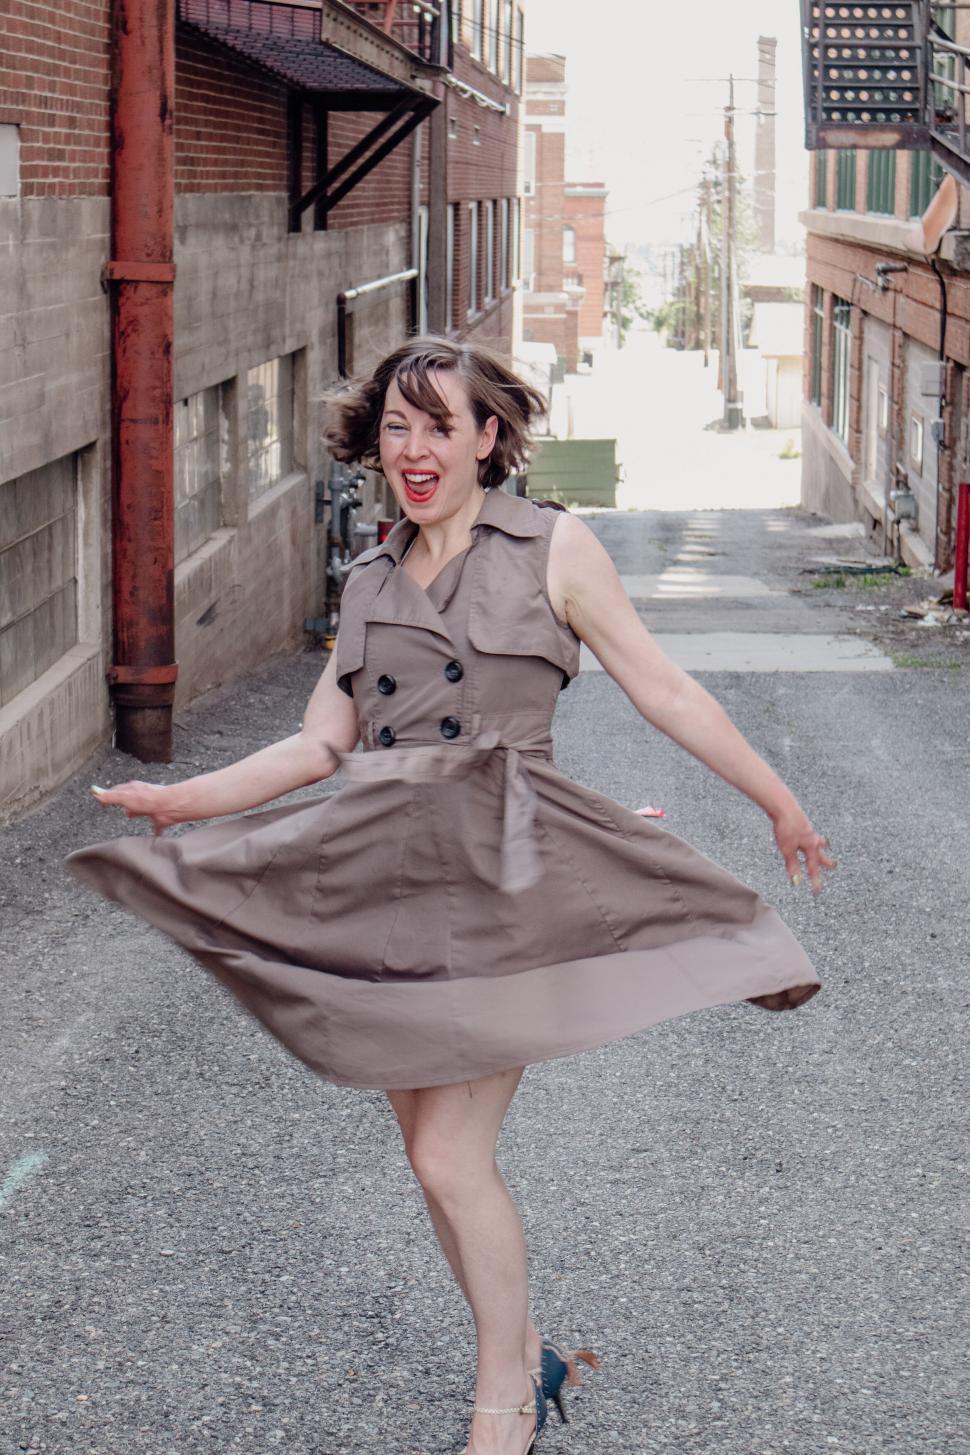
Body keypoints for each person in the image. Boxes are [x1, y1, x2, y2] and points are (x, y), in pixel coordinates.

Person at [69, 336, 834, 1455]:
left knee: (447, 1156)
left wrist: (778, 800)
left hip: (503, 877)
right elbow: (318, 744)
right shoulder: (370, 578)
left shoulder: (552, 548)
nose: (415, 448)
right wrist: (180, 802)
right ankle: (528, 1352)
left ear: (488, 438)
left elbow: (662, 687)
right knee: (429, 1157)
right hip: (386, 884)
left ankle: (503, 1403)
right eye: (397, 426)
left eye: (440, 425)